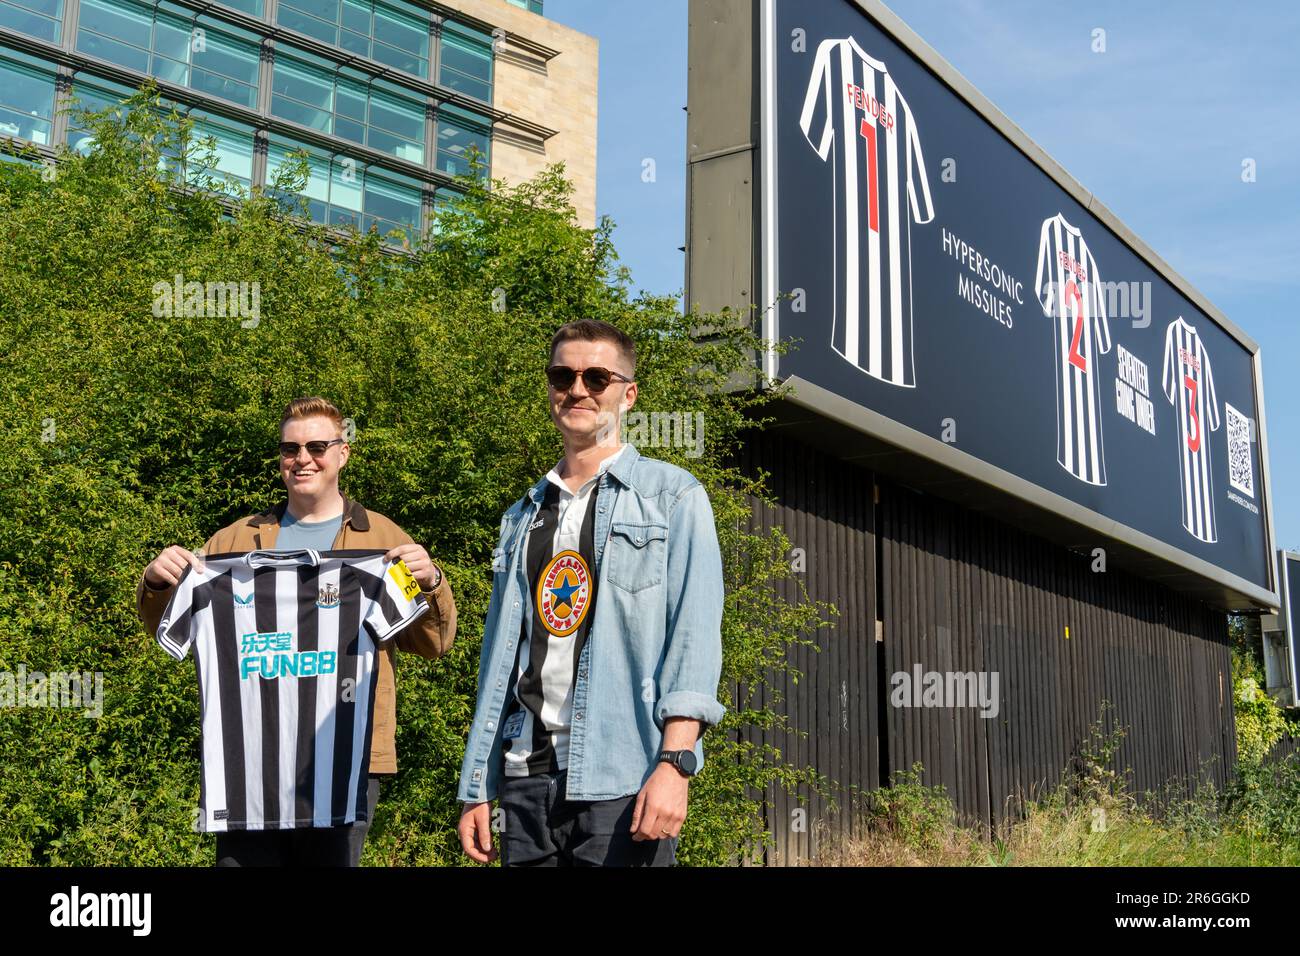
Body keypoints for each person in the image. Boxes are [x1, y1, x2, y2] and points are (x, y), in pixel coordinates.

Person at [136, 396, 457, 866]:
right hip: (250, 759)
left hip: (347, 757)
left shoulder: (385, 543)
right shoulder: (232, 542)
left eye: (316, 446)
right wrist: (155, 581)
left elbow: (433, 643)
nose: (302, 459)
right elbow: (174, 627)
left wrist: (431, 583)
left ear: (342, 452)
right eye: (290, 449)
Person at [457, 319, 725, 867]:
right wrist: (476, 783)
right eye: (563, 375)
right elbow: (500, 662)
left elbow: (693, 639)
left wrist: (676, 764)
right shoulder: (521, 517)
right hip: (524, 777)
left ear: (627, 394)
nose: (577, 389)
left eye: (596, 377)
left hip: (622, 773)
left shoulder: (672, 497)